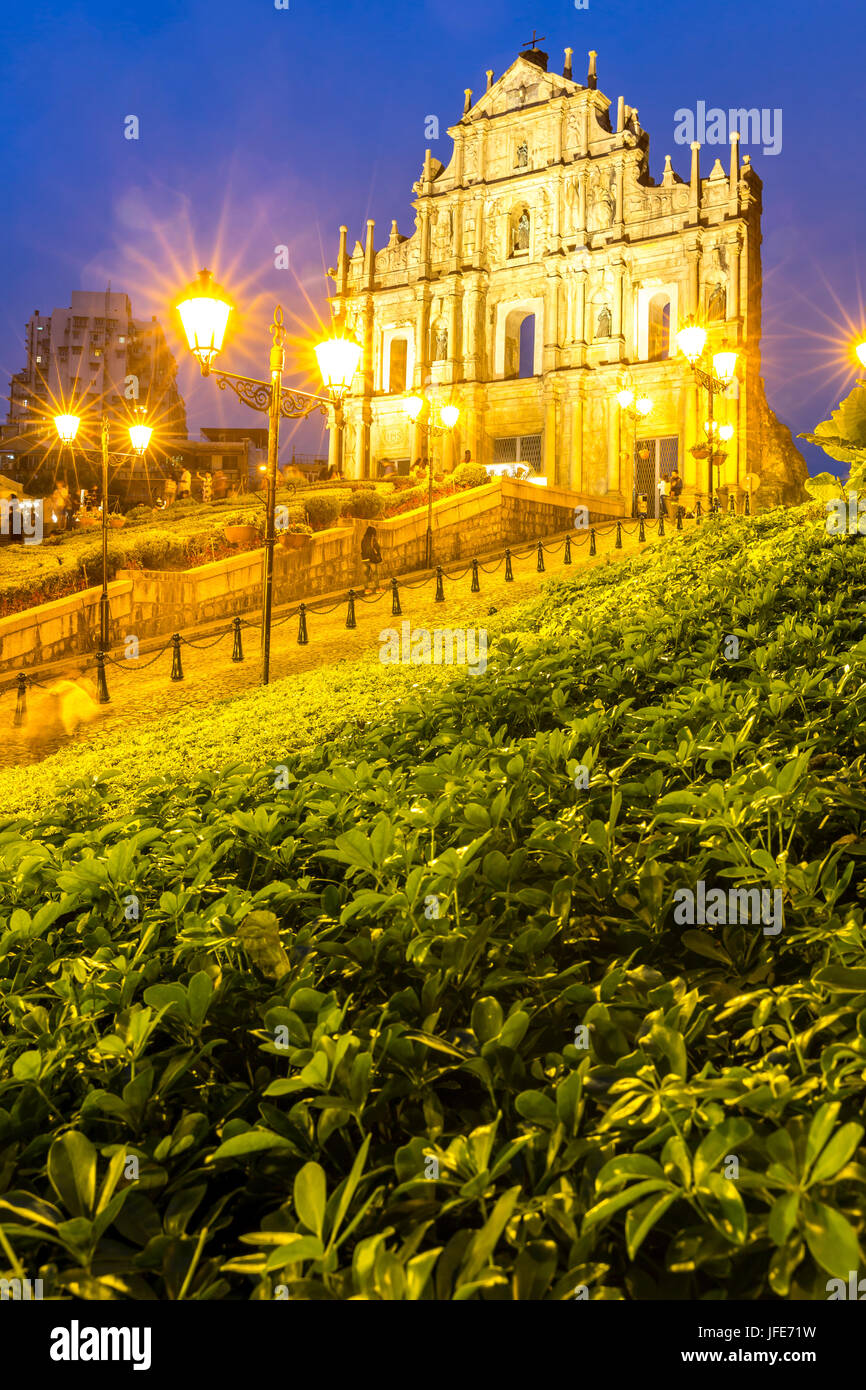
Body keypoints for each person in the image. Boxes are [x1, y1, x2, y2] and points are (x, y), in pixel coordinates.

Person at [360, 524, 383, 593]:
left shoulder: (363, 539)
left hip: (364, 559)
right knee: (375, 573)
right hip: (371, 558)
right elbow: (377, 547)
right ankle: (378, 588)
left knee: (366, 575)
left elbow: (362, 549)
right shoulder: (372, 539)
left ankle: (366, 589)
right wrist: (378, 555)